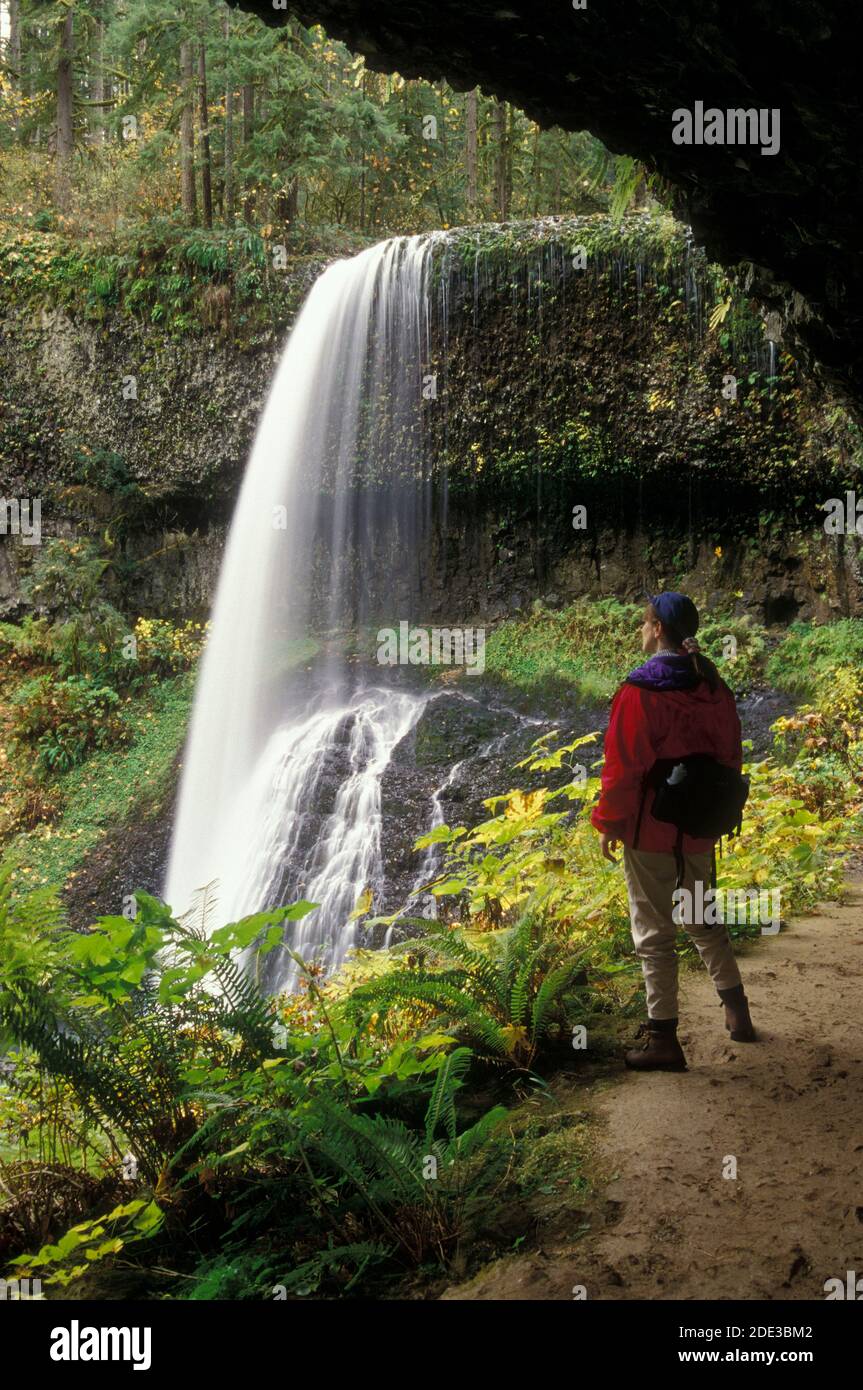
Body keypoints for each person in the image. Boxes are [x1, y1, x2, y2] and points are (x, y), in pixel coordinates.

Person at [591, 591, 756, 1071]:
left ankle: (663, 1039)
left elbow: (623, 768)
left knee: (654, 932)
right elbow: (730, 759)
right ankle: (737, 1012)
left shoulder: (640, 692)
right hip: (699, 828)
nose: (641, 630)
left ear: (658, 629)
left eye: (643, 623)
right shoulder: (713, 684)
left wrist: (609, 823)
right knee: (702, 917)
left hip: (652, 830)